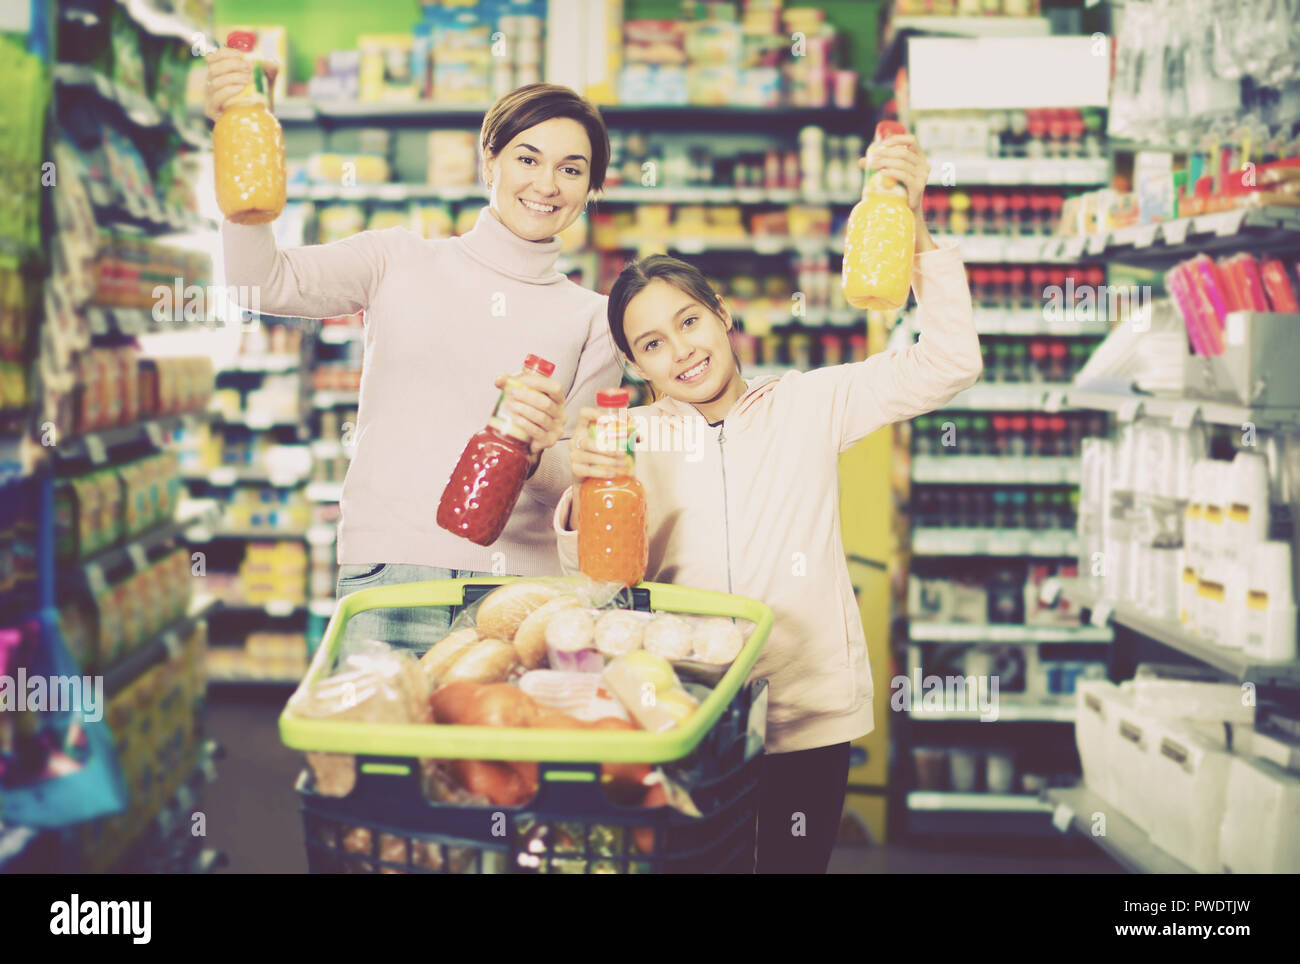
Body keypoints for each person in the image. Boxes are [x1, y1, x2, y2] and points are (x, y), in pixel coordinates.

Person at [556, 132, 982, 873]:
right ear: (634, 363)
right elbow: (597, 583)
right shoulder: (629, 439)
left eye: (689, 322)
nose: (681, 351)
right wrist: (580, 497)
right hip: (684, 710)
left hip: (805, 713)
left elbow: (951, 361)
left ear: (722, 315)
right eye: (652, 344)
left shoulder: (812, 401)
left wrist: (912, 226)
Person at [205, 50, 623, 655]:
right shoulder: (397, 260)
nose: (546, 184)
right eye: (527, 158)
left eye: (572, 169)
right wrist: (235, 139)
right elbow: (257, 283)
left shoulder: (594, 318)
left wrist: (538, 454)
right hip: (391, 575)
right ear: (491, 162)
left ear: (591, 188)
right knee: (379, 749)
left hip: (521, 594)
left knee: (492, 752)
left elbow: (577, 487)